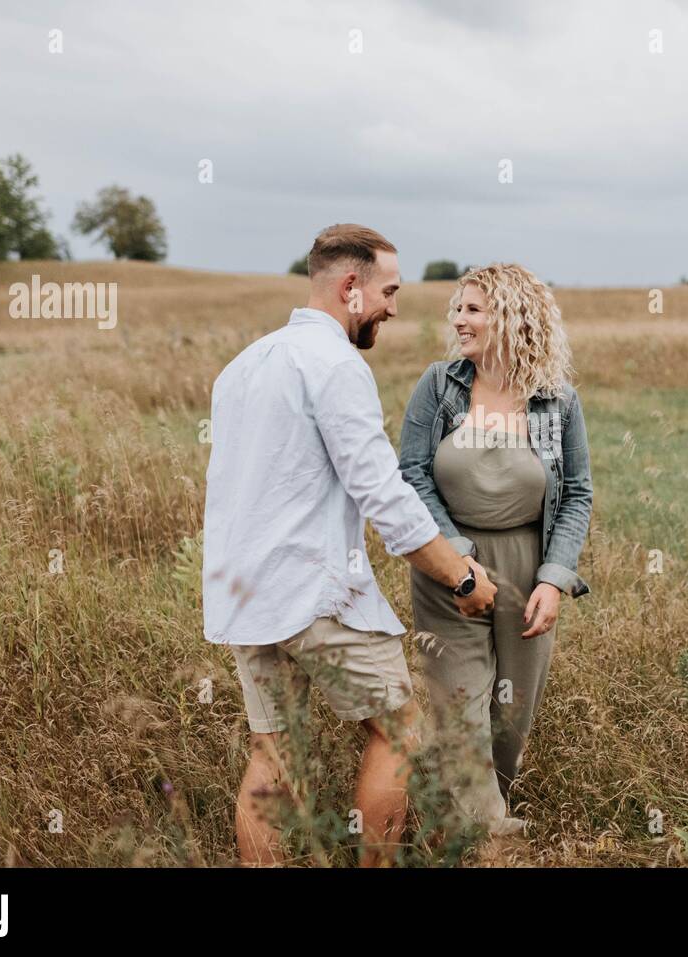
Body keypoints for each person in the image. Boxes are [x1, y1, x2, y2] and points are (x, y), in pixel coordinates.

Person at [202, 224, 497, 866]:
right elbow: (381, 492)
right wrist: (462, 577)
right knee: (398, 729)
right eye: (388, 291)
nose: (394, 306)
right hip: (314, 591)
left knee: (271, 751)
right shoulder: (336, 364)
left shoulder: (244, 365)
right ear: (350, 287)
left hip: (245, 593)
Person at [398, 263, 593, 835]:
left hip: (529, 565)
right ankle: (485, 836)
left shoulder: (556, 400)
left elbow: (577, 491)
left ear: (511, 316)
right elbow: (411, 473)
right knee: (460, 708)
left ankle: (479, 812)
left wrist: (554, 579)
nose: (458, 319)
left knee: (511, 716)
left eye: (473, 309)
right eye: (456, 307)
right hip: (448, 564)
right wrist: (456, 559)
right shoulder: (440, 385)